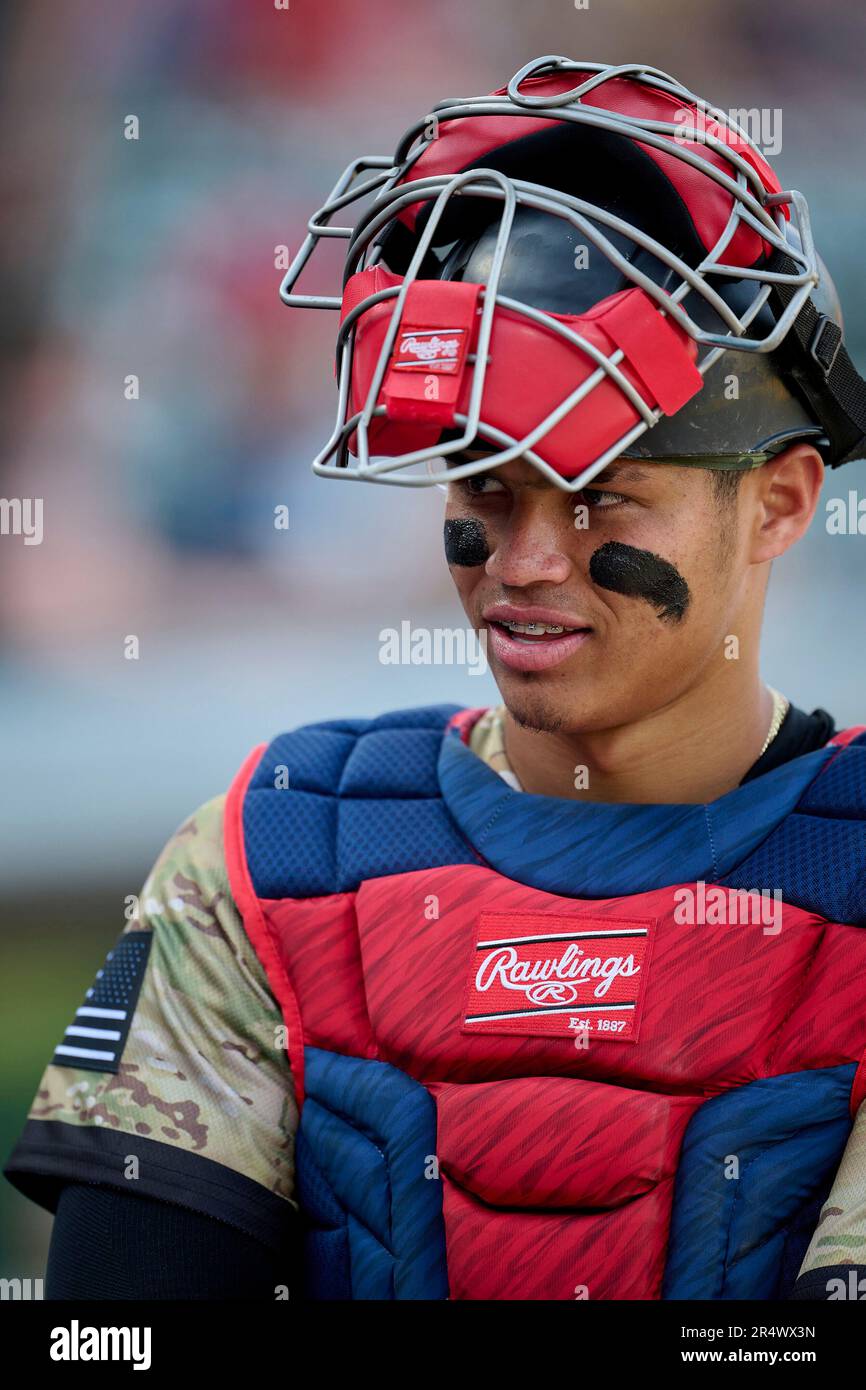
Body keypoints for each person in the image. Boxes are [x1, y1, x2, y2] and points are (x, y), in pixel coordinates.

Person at [7, 54, 866, 1302]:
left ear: (779, 502)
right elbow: (112, 1337)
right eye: (485, 488)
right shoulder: (276, 850)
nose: (522, 562)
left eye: (599, 498)